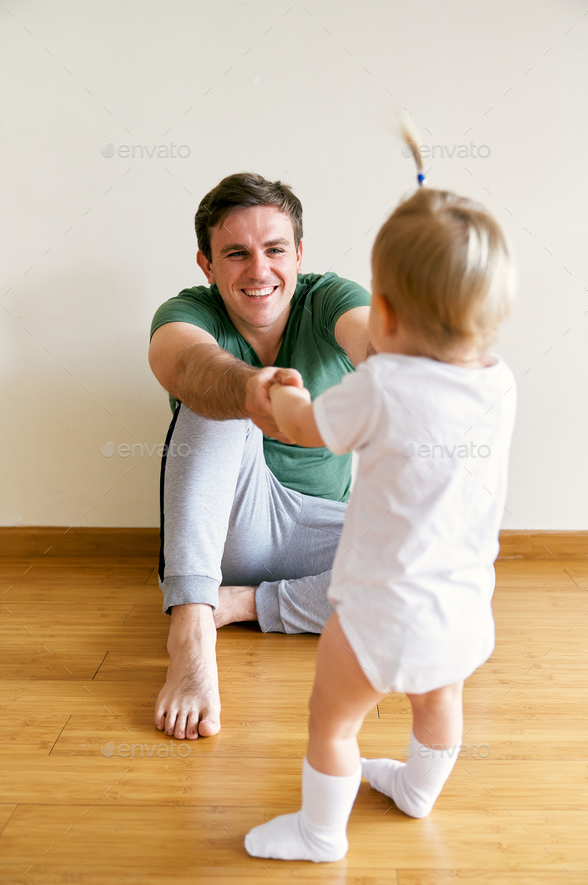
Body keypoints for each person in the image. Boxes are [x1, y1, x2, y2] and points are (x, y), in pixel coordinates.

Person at [244, 141, 517, 863]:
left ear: (385, 310)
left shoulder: (383, 384)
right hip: (462, 607)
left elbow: (307, 428)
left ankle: (318, 833)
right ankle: (418, 791)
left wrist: (289, 392)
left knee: (331, 722)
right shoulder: (499, 382)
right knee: (438, 702)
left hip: (379, 614)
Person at [148, 172, 374, 740]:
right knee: (213, 396)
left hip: (326, 536)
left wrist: (407, 356)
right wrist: (252, 390)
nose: (259, 271)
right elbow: (182, 363)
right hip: (233, 528)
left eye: (275, 250)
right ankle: (193, 628)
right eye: (236, 254)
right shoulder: (186, 313)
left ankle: (246, 605)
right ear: (206, 264)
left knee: (454, 573)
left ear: (298, 254)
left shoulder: (331, 299)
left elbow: (372, 338)